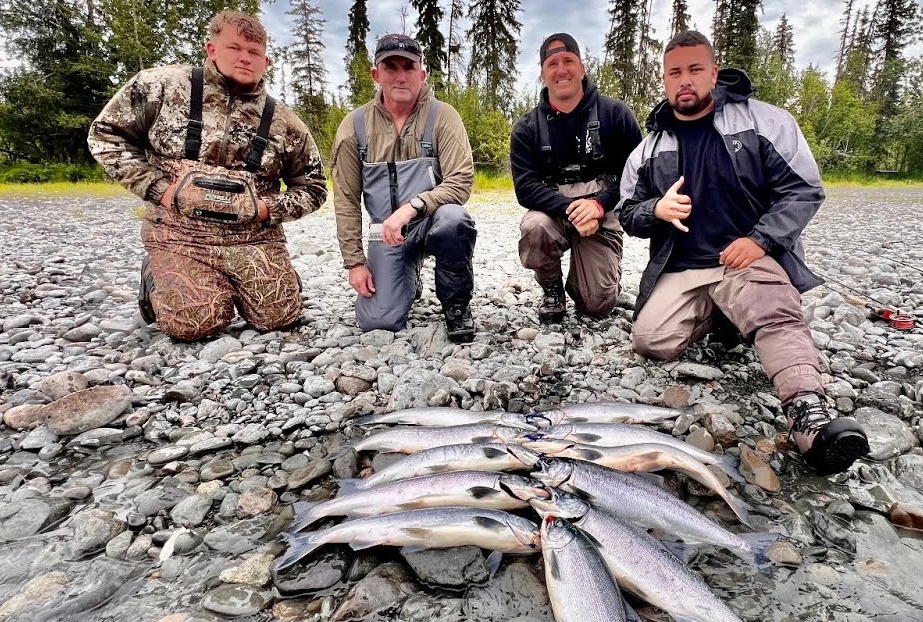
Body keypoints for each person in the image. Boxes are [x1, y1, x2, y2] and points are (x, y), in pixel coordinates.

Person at [616, 30, 869, 473]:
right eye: (675, 72)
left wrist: (760, 240)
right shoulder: (648, 148)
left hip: (747, 259)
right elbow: (627, 214)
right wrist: (655, 208)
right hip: (683, 268)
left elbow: (804, 191)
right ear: (664, 80)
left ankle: (808, 411)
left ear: (714, 73)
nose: (685, 80)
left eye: (695, 69)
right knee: (650, 341)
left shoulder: (765, 122)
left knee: (770, 310)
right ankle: (726, 316)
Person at [88, 11, 327, 341]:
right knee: (195, 324)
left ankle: (271, 276)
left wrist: (267, 209)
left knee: (280, 317)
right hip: (180, 234)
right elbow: (106, 134)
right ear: (211, 49)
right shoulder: (161, 86)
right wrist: (162, 190)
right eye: (234, 48)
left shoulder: (285, 122)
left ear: (266, 61)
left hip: (253, 237)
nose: (245, 58)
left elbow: (314, 186)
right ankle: (156, 274)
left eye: (254, 52)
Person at [330, 34, 478, 343]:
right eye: (391, 67)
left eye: (409, 67)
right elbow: (345, 198)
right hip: (388, 234)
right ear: (376, 74)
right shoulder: (353, 127)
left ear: (422, 74)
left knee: (454, 220)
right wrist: (355, 262)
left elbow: (461, 180)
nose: (400, 76)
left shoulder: (443, 116)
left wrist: (412, 207)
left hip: (432, 222)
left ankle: (456, 305)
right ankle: (409, 276)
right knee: (377, 320)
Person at [510, 33, 643, 324]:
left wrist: (598, 206)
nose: (561, 70)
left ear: (582, 68)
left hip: (603, 214)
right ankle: (552, 289)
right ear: (542, 74)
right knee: (534, 227)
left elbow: (635, 176)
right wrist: (574, 209)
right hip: (555, 214)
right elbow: (526, 188)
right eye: (552, 63)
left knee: (595, 306)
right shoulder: (526, 127)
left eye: (568, 60)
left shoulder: (617, 115)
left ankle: (604, 281)